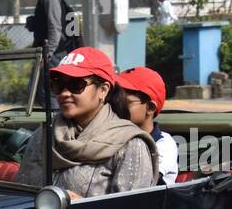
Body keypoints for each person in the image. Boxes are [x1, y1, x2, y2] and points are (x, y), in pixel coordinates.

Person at [16, 46, 156, 197]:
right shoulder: (43, 135)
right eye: (58, 84)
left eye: (76, 85)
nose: (64, 93)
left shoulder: (129, 144)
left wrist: (83, 206)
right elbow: (20, 193)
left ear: (103, 90)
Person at [25, 0, 79, 110]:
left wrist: (47, 54)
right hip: (54, 53)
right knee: (40, 91)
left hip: (54, 54)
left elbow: (55, 27)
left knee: (47, 92)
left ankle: (55, 124)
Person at [117, 66, 179, 185]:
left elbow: (142, 182)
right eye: (116, 101)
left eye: (126, 102)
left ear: (150, 108)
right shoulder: (115, 136)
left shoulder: (163, 144)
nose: (118, 107)